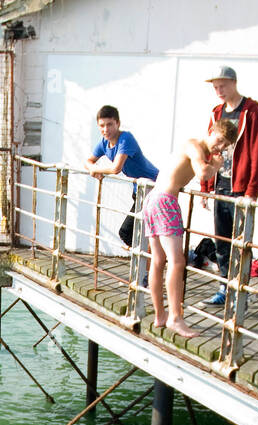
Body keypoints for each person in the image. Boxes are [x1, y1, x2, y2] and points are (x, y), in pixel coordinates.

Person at [142, 120, 238, 337]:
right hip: (165, 201)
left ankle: (160, 316)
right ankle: (175, 318)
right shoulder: (194, 146)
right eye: (219, 140)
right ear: (211, 131)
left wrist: (213, 162)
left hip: (153, 199)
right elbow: (203, 173)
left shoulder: (197, 148)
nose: (220, 147)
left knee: (158, 260)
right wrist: (216, 164)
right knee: (176, 261)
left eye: (225, 145)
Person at [199, 67, 258, 306]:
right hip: (220, 185)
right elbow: (208, 149)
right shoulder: (216, 112)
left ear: (234, 83)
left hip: (240, 187)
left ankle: (240, 293)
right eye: (215, 87)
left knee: (240, 243)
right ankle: (224, 289)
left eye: (223, 86)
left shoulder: (251, 110)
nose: (219, 91)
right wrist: (206, 186)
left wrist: (252, 191)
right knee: (221, 243)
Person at [85, 104, 159, 247]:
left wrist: (97, 170)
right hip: (139, 190)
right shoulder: (104, 143)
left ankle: (152, 260)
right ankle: (150, 261)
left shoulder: (125, 138)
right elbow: (88, 161)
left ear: (118, 123)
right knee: (139, 234)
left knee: (127, 232)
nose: (106, 129)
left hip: (154, 187)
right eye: (102, 125)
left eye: (110, 124)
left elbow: (115, 168)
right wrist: (93, 168)